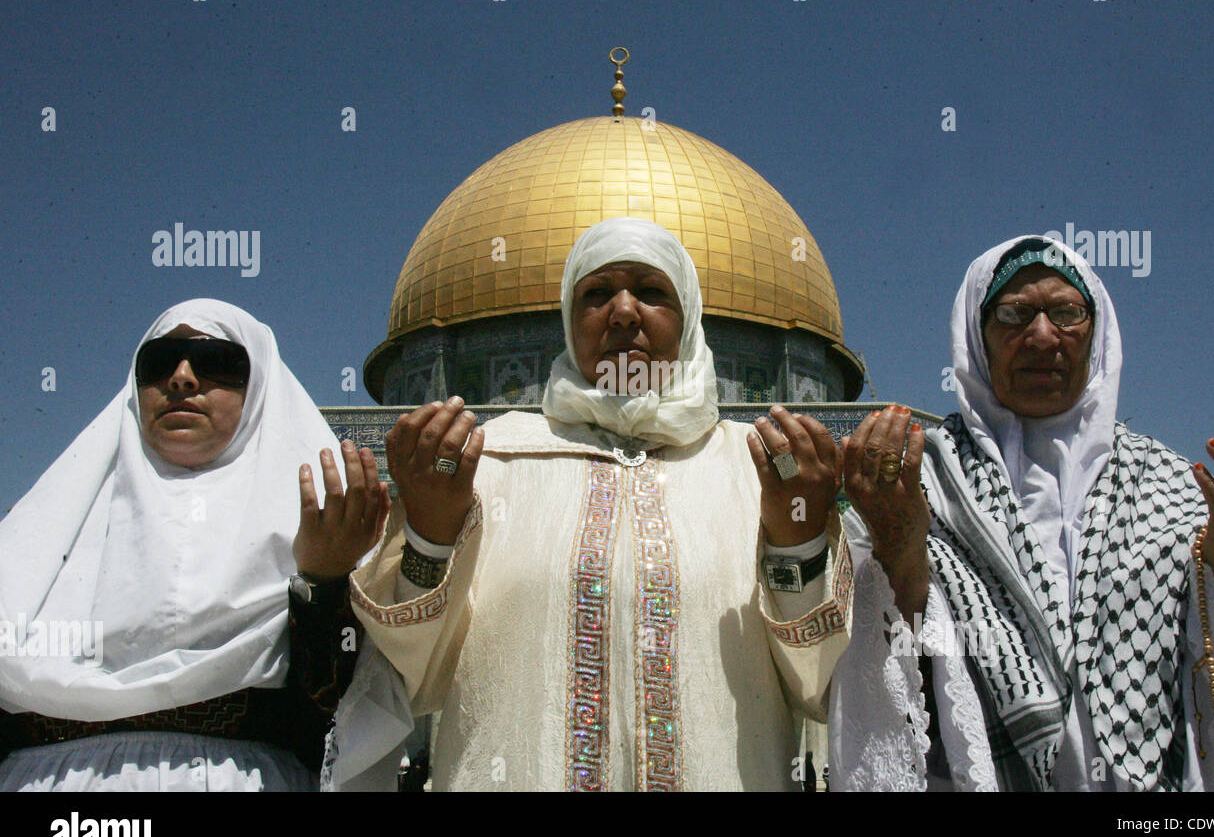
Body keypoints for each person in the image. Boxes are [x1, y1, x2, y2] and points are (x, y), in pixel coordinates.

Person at [332, 217, 851, 791]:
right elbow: (413, 676)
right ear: (567, 320)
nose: (624, 312)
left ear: (691, 317)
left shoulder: (758, 473)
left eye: (652, 292)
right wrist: (429, 529)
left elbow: (819, 687)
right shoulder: (490, 462)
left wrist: (795, 537)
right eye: (596, 294)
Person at [829, 236, 1214, 791]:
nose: (1043, 336)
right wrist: (898, 541)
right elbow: (867, 661)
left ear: (1097, 333)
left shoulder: (1174, 486)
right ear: (976, 337)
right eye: (1014, 314)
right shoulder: (920, 479)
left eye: (1067, 313)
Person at [0, 299, 387, 791]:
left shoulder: (322, 524)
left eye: (217, 363)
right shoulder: (46, 534)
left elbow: (348, 714)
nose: (182, 378)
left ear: (261, 388)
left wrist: (324, 581)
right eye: (159, 363)